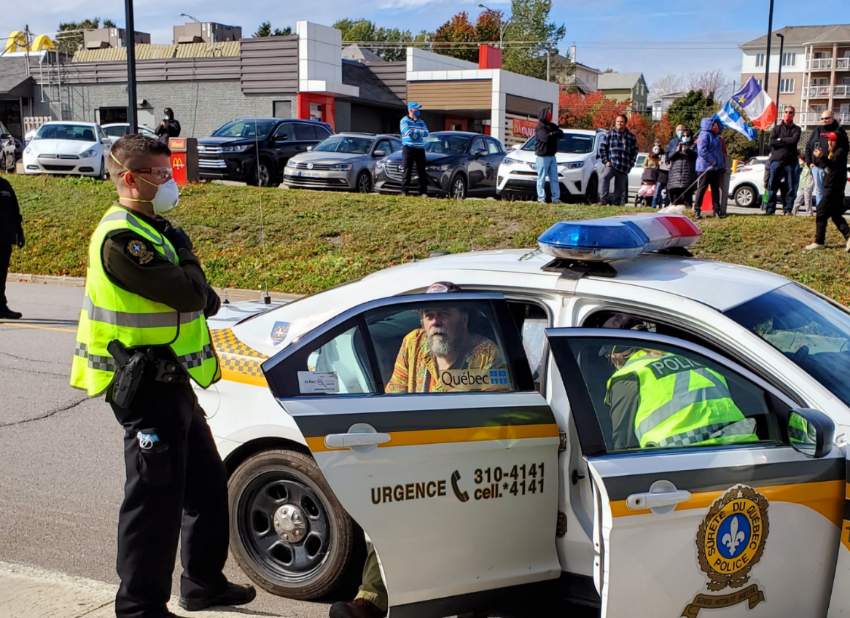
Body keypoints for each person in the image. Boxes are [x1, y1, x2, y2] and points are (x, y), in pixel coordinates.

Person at [69, 135, 255, 617]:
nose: (169, 181)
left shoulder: (154, 229)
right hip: (144, 385)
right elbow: (190, 294)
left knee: (207, 488)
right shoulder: (121, 239)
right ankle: (138, 606)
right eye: (159, 173)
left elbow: (194, 296)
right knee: (153, 503)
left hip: (173, 383)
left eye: (168, 171)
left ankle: (202, 583)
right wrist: (188, 257)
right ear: (129, 179)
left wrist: (186, 265)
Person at [330, 282, 507, 618]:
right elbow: (393, 399)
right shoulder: (412, 343)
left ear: (463, 317)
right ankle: (369, 602)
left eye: (444, 312)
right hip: (415, 455)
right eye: (428, 314)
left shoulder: (487, 354)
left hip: (467, 463)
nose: (434, 321)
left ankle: (464, 602)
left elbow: (494, 418)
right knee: (386, 509)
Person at [602, 315, 758, 450]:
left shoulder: (629, 376)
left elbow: (623, 445)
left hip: (684, 460)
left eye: (609, 356)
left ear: (617, 354)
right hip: (745, 446)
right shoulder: (694, 357)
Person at [805, 115, 850, 251]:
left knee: (821, 211)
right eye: (829, 140)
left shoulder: (841, 151)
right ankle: (848, 235)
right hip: (832, 183)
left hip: (834, 185)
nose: (829, 143)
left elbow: (833, 165)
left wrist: (821, 157)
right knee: (835, 214)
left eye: (832, 141)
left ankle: (819, 241)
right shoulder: (833, 150)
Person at [765, 106, 802, 215]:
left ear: (793, 115)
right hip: (776, 161)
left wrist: (780, 140)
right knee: (772, 186)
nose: (788, 114)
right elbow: (771, 142)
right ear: (783, 113)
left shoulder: (797, 129)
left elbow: (794, 140)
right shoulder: (776, 128)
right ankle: (770, 210)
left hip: (791, 162)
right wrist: (786, 141)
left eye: (790, 112)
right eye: (786, 112)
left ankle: (787, 210)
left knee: (790, 188)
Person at [598, 113, 638, 205]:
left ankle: (616, 204)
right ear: (615, 123)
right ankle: (603, 200)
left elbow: (635, 152)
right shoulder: (609, 134)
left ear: (625, 123)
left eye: (622, 122)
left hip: (624, 166)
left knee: (619, 189)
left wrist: (631, 164)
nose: (619, 123)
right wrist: (605, 161)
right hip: (611, 164)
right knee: (604, 177)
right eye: (618, 122)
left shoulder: (631, 137)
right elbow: (602, 148)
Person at [0, 176, 24, 319]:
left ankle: (1, 307)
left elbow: (15, 212)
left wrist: (19, 233)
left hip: (4, 239)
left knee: (1, 275)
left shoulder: (5, 186)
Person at [693, 117, 725, 219]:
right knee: (702, 188)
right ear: (710, 125)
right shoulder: (704, 135)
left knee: (715, 189)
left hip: (715, 167)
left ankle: (716, 210)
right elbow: (702, 150)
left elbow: (719, 152)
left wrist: (720, 164)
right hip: (705, 167)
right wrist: (712, 160)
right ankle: (697, 209)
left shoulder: (716, 136)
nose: (716, 126)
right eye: (714, 124)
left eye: (717, 125)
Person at [534, 107, 564, 204]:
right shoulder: (540, 127)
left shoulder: (552, 125)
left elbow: (561, 134)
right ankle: (541, 199)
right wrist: (553, 134)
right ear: (544, 114)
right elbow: (545, 138)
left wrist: (553, 133)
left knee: (554, 178)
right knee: (541, 178)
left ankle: (556, 199)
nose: (550, 115)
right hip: (542, 157)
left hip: (552, 156)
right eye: (548, 114)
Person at [399, 101, 430, 197]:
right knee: (407, 170)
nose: (419, 111)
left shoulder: (421, 121)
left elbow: (427, 133)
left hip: (420, 149)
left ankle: (423, 192)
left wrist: (415, 131)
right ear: (411, 110)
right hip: (408, 149)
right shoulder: (404, 120)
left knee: (421, 171)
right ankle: (404, 192)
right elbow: (407, 132)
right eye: (417, 109)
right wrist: (418, 132)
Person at [665, 127, 697, 207]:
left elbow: (696, 155)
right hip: (675, 177)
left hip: (687, 176)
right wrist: (676, 151)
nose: (685, 138)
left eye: (687, 136)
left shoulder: (694, 145)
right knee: (675, 199)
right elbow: (669, 156)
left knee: (687, 199)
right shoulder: (676, 144)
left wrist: (688, 150)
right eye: (683, 136)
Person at [792, 151, 814, 216]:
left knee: (807, 200)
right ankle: (793, 212)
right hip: (801, 186)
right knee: (798, 200)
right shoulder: (800, 167)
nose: (799, 161)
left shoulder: (808, 166)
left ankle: (809, 213)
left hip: (808, 185)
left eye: (800, 159)